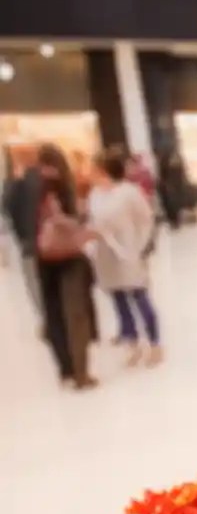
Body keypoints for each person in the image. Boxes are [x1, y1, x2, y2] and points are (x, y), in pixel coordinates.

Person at [33, 144, 99, 389]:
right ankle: (79, 373)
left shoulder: (31, 189)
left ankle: (67, 371)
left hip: (44, 259)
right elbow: (69, 220)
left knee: (56, 315)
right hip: (68, 258)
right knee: (73, 315)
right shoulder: (62, 189)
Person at [88, 150, 162, 367]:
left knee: (139, 296)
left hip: (129, 251)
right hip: (105, 254)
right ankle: (132, 342)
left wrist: (140, 247)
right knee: (118, 299)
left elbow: (146, 220)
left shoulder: (129, 192)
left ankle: (155, 342)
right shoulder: (95, 194)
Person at [3, 144, 44, 317]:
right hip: (48, 239)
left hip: (30, 240)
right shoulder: (48, 177)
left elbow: (7, 206)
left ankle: (45, 318)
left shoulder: (18, 181)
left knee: (35, 282)